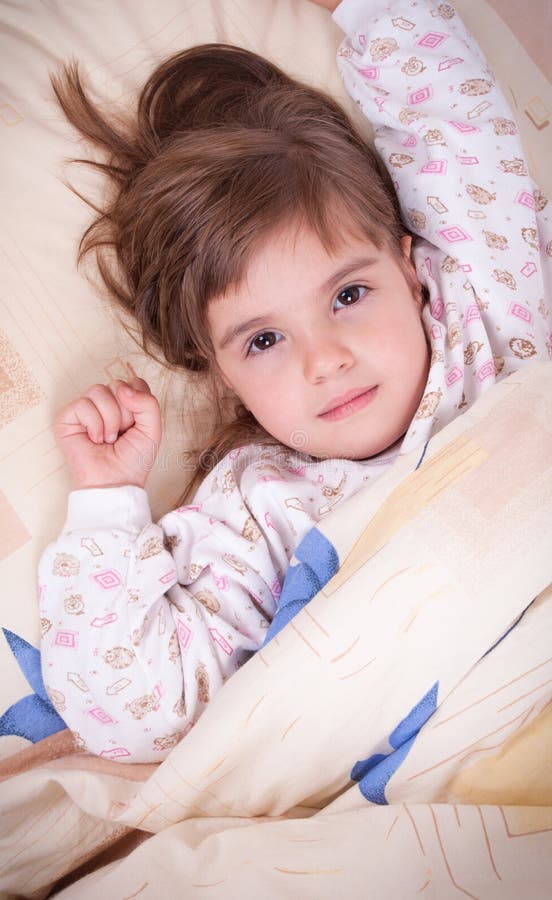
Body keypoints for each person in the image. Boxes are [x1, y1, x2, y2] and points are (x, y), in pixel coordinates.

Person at [39, 0, 551, 763]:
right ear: (223, 376)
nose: (325, 359)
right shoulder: (260, 511)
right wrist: (107, 511)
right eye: (266, 340)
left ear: (411, 271)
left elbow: (453, 127)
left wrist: (372, 8)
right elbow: (135, 720)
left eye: (348, 295)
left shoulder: (485, 311)